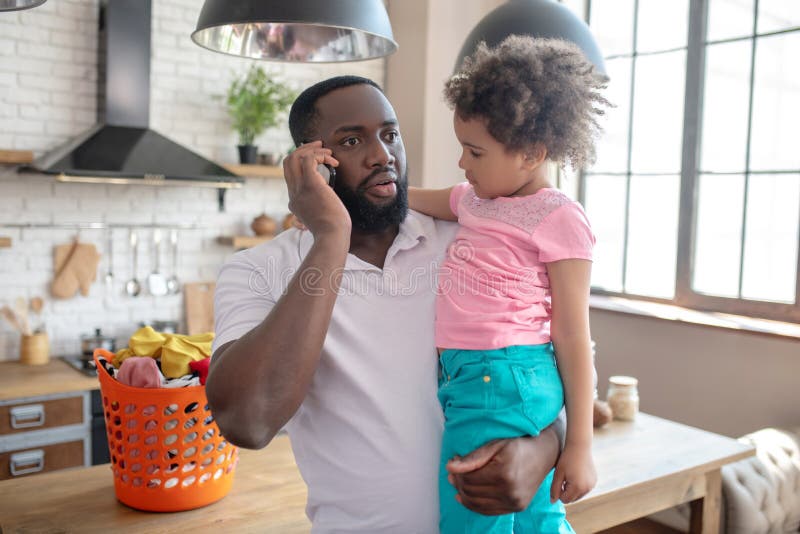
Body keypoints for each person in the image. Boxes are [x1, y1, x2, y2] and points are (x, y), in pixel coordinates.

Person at [207, 75, 566, 533]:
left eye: (390, 134)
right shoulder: (259, 270)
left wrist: (548, 446)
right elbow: (247, 420)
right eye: (353, 140)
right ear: (311, 165)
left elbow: (557, 361)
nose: (382, 154)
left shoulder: (471, 241)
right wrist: (331, 236)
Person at [407, 36, 609, 533]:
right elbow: (405, 200)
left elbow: (572, 333)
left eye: (475, 151)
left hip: (500, 379)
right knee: (535, 518)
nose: (462, 163)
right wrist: (337, 206)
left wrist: (580, 443)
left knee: (472, 516)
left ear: (531, 153)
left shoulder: (558, 216)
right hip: (484, 379)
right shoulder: (473, 199)